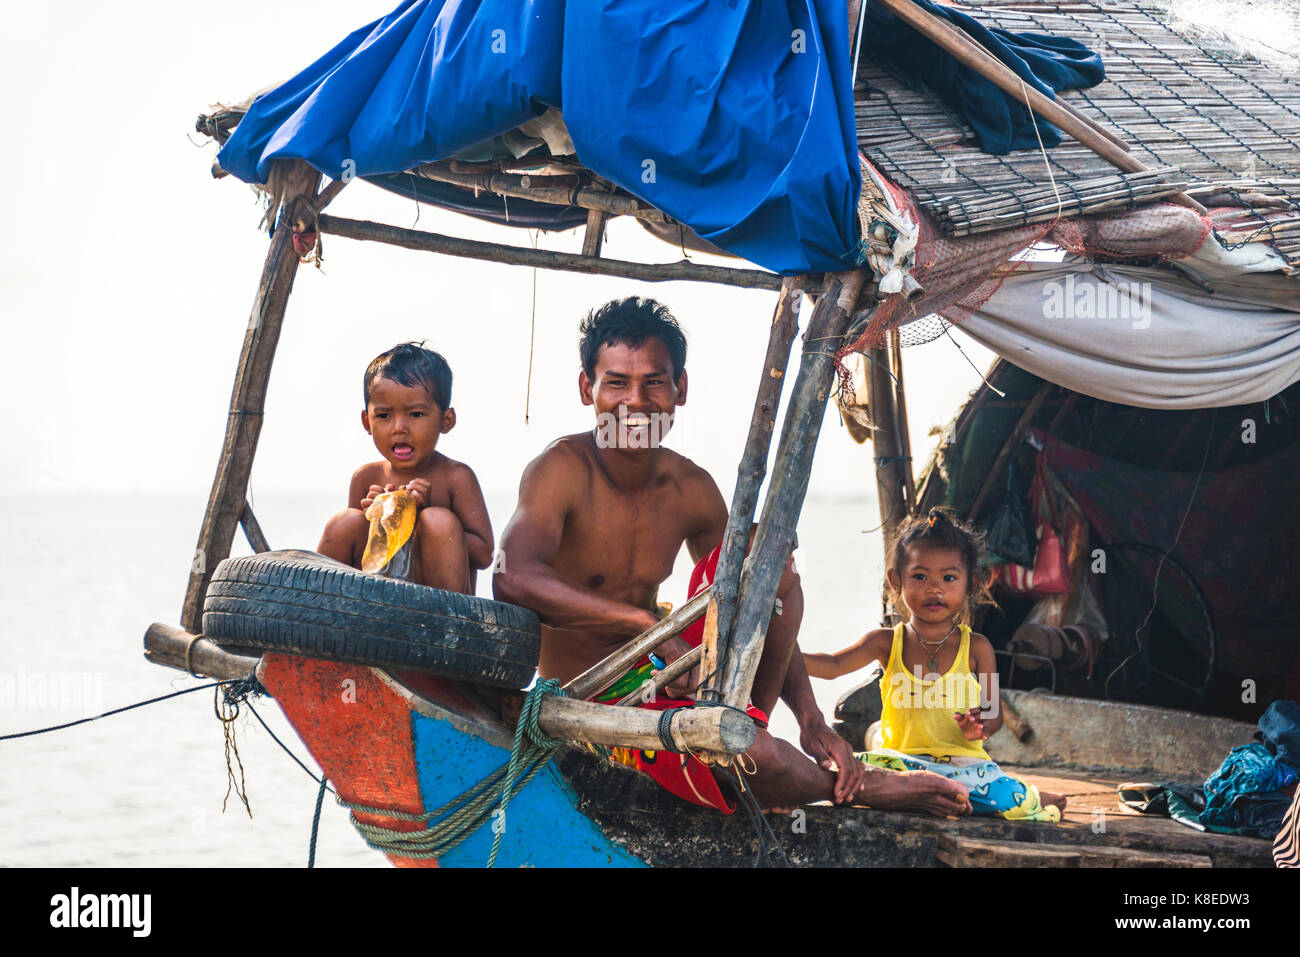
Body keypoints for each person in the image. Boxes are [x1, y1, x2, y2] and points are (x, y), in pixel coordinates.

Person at [493, 296, 969, 816]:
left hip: (669, 679)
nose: (636, 401)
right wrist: (644, 626)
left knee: (771, 559)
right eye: (616, 383)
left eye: (654, 381)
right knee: (758, 755)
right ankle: (864, 787)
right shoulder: (561, 470)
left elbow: (760, 596)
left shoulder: (690, 488)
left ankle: (751, 728)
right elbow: (512, 577)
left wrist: (810, 717)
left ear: (680, 388)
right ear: (588, 389)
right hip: (590, 700)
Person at [805, 507, 1067, 821]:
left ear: (971, 584)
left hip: (963, 768)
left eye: (948, 577)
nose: (934, 588)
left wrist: (980, 726)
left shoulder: (977, 647)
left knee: (1009, 801)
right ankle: (930, 793)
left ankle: (1031, 795)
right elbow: (832, 665)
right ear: (895, 581)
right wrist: (783, 651)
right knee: (842, 773)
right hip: (901, 766)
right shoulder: (885, 642)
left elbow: (994, 715)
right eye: (920, 576)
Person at [317, 342, 493, 593]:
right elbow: (362, 551)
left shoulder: (456, 477)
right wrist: (376, 516)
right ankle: (317, 614)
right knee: (345, 522)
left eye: (416, 414)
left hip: (440, 608)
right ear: (367, 422)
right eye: (384, 416)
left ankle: (450, 625)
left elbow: (484, 555)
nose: (399, 427)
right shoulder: (366, 477)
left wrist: (420, 517)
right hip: (376, 604)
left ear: (446, 420)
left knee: (438, 521)